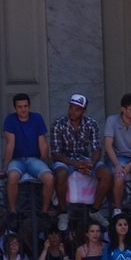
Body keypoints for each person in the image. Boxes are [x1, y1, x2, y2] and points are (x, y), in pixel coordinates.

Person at [49, 94, 105, 229]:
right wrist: (76, 164)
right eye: (71, 108)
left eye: (77, 109)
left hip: (85, 159)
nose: (73, 111)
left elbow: (97, 149)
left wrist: (91, 163)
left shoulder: (91, 124)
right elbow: (56, 154)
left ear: (84, 111)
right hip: (65, 160)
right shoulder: (58, 124)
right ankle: (63, 212)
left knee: (107, 173)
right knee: (61, 173)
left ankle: (95, 210)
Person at [1, 93, 55, 222]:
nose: (23, 109)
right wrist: (5, 168)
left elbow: (43, 143)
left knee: (49, 178)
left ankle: (44, 211)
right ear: (15, 108)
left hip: (34, 159)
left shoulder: (37, 118)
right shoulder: (10, 119)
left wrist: (46, 163)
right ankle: (13, 211)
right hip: (17, 160)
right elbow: (10, 144)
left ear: (29, 106)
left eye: (25, 106)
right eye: (20, 107)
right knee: (12, 177)